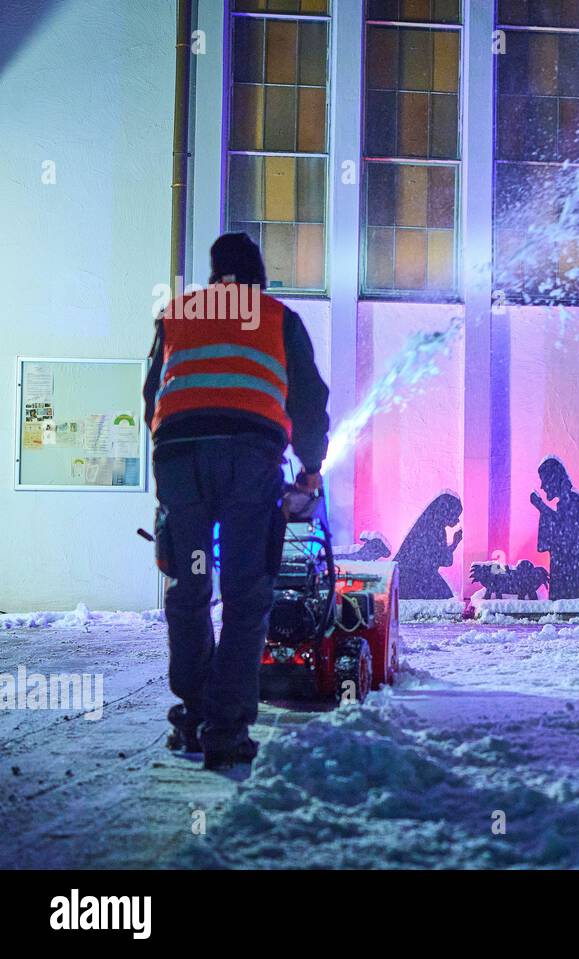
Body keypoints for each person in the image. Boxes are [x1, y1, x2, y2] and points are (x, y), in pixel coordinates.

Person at [144, 232, 329, 771]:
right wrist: (311, 470)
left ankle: (193, 716)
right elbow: (309, 399)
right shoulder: (276, 317)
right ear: (257, 277)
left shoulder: (176, 315)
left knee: (189, 584)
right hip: (249, 460)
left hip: (180, 459)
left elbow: (152, 390)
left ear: (214, 275)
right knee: (246, 593)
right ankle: (225, 731)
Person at [530, 457, 579, 599]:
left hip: (575, 579)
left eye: (544, 480)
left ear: (553, 480)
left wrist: (541, 506)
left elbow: (565, 531)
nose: (542, 486)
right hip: (572, 576)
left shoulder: (572, 501)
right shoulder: (568, 501)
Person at [394, 491, 462, 599]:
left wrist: (454, 543)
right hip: (413, 579)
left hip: (413, 577)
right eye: (455, 515)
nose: (457, 520)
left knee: (445, 598)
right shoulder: (435, 529)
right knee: (445, 599)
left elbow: (438, 558)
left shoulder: (430, 526)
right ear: (446, 512)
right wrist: (454, 543)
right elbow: (442, 560)